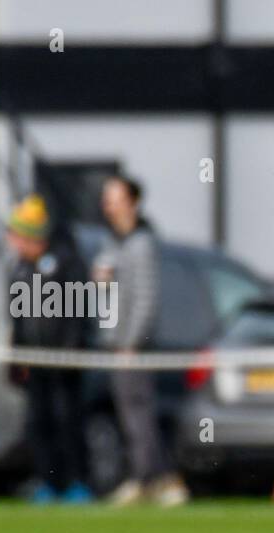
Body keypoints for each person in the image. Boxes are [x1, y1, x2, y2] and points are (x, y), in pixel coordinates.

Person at [99, 173, 189, 506]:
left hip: (134, 347)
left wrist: (131, 343)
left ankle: (149, 478)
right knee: (131, 415)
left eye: (114, 198)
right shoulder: (111, 243)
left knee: (139, 414)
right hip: (116, 344)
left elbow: (146, 298)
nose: (107, 205)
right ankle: (152, 477)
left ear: (132, 203)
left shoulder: (141, 243)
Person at [5, 195, 94, 504]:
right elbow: (18, 319)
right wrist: (16, 358)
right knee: (38, 422)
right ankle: (47, 481)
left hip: (65, 362)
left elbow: (79, 311)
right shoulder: (20, 269)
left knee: (68, 420)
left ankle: (77, 482)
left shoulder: (67, 261)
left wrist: (70, 350)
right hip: (35, 362)